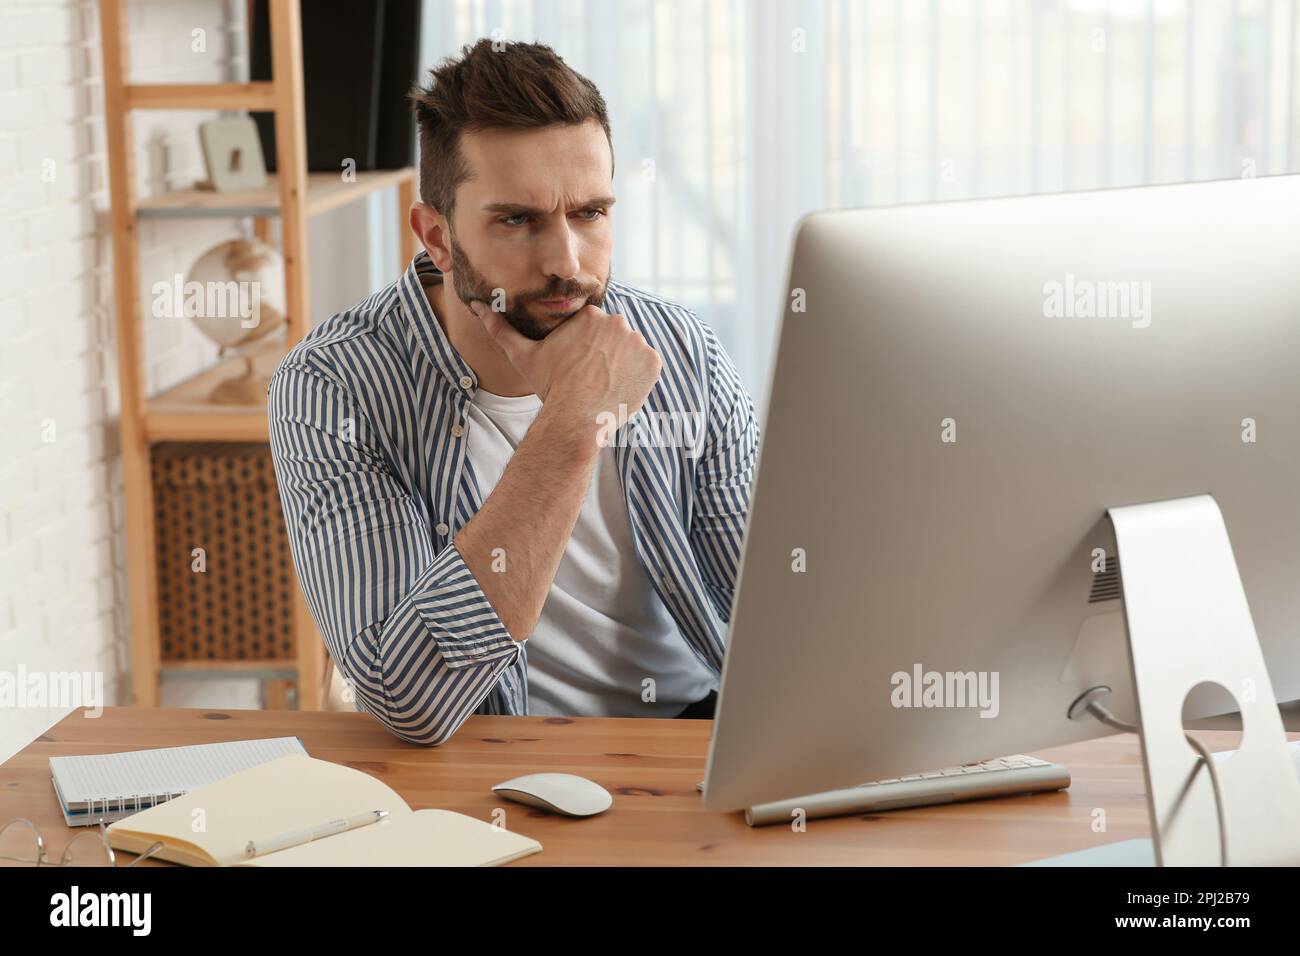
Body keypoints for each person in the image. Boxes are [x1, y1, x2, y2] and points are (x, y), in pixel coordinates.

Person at [267, 39, 758, 745]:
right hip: (489, 763)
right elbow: (409, 698)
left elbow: (763, 602)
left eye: (590, 213)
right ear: (435, 236)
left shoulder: (680, 350)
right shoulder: (333, 390)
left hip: (690, 740)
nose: (566, 263)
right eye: (517, 220)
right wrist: (574, 424)